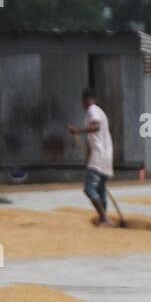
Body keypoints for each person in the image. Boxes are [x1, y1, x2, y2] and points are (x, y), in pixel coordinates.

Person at [67, 87, 115, 226]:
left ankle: (104, 218)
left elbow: (96, 127)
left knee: (89, 189)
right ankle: (104, 218)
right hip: (106, 155)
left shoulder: (92, 110)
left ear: (85, 100)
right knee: (100, 189)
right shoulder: (100, 111)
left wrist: (77, 130)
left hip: (99, 155)